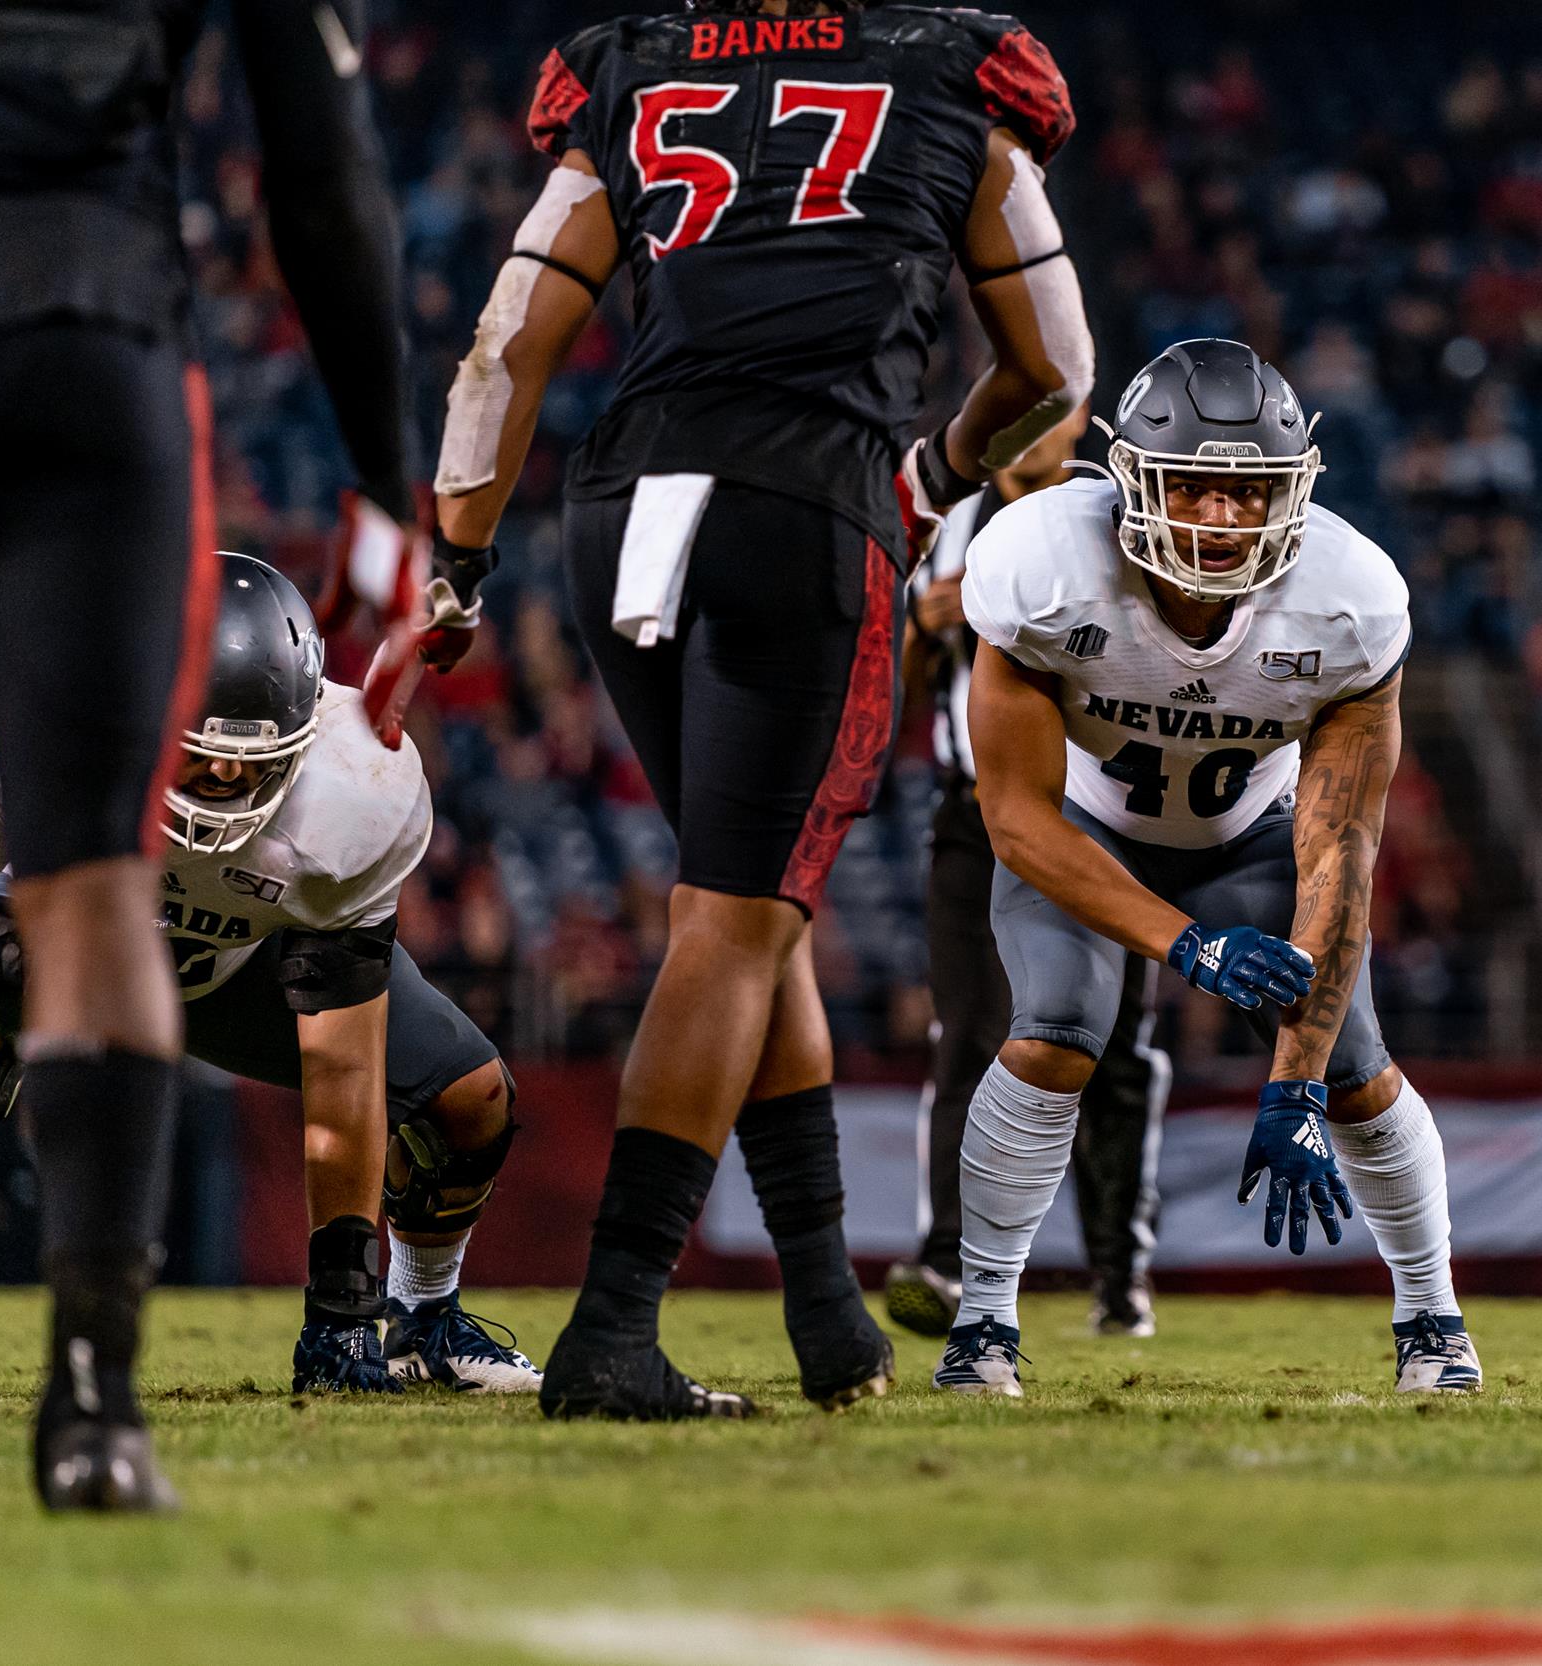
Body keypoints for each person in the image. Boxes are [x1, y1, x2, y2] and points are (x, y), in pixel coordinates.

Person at [429, 0, 1093, 1419]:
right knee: (738, 920)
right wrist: (933, 472)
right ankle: (613, 1324)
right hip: (802, 502)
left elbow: (503, 348)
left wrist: (457, 554)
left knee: (745, 899)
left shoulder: (635, 61)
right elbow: (1058, 373)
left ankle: (822, 1305)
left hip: (624, 505)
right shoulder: (952, 76)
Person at [0, 0, 420, 1508]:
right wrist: (384, 478)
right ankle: (92, 1412)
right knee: (94, 879)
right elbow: (316, 162)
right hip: (86, 313)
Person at [939, 339, 1479, 1398]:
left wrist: (1292, 1087)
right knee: (1053, 1033)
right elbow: (1012, 820)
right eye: (1190, 484)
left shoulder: (1349, 600)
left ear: (1293, 490)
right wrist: (1185, 945)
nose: (1218, 520)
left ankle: (1433, 1317)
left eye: (1247, 491)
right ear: (1130, 480)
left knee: (1356, 1071)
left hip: (1253, 842)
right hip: (1086, 834)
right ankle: (983, 1320)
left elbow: (1340, 845)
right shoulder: (1041, 566)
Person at [0, 555, 532, 1402]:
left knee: (473, 1100)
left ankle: (424, 1319)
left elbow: (344, 1071)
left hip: (245, 964)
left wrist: (343, 1310)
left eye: (252, 758)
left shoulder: (358, 793)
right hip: (74, 935)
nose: (227, 778)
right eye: (203, 753)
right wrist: (17, 961)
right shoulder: (42, 708)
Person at [886, 413, 1170, 1341]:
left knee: (1115, 1050)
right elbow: (897, 691)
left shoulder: (1115, 513)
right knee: (967, 1029)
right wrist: (927, 629)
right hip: (977, 811)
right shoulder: (948, 520)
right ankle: (948, 1258)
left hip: (1104, 812)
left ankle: (1121, 1273)